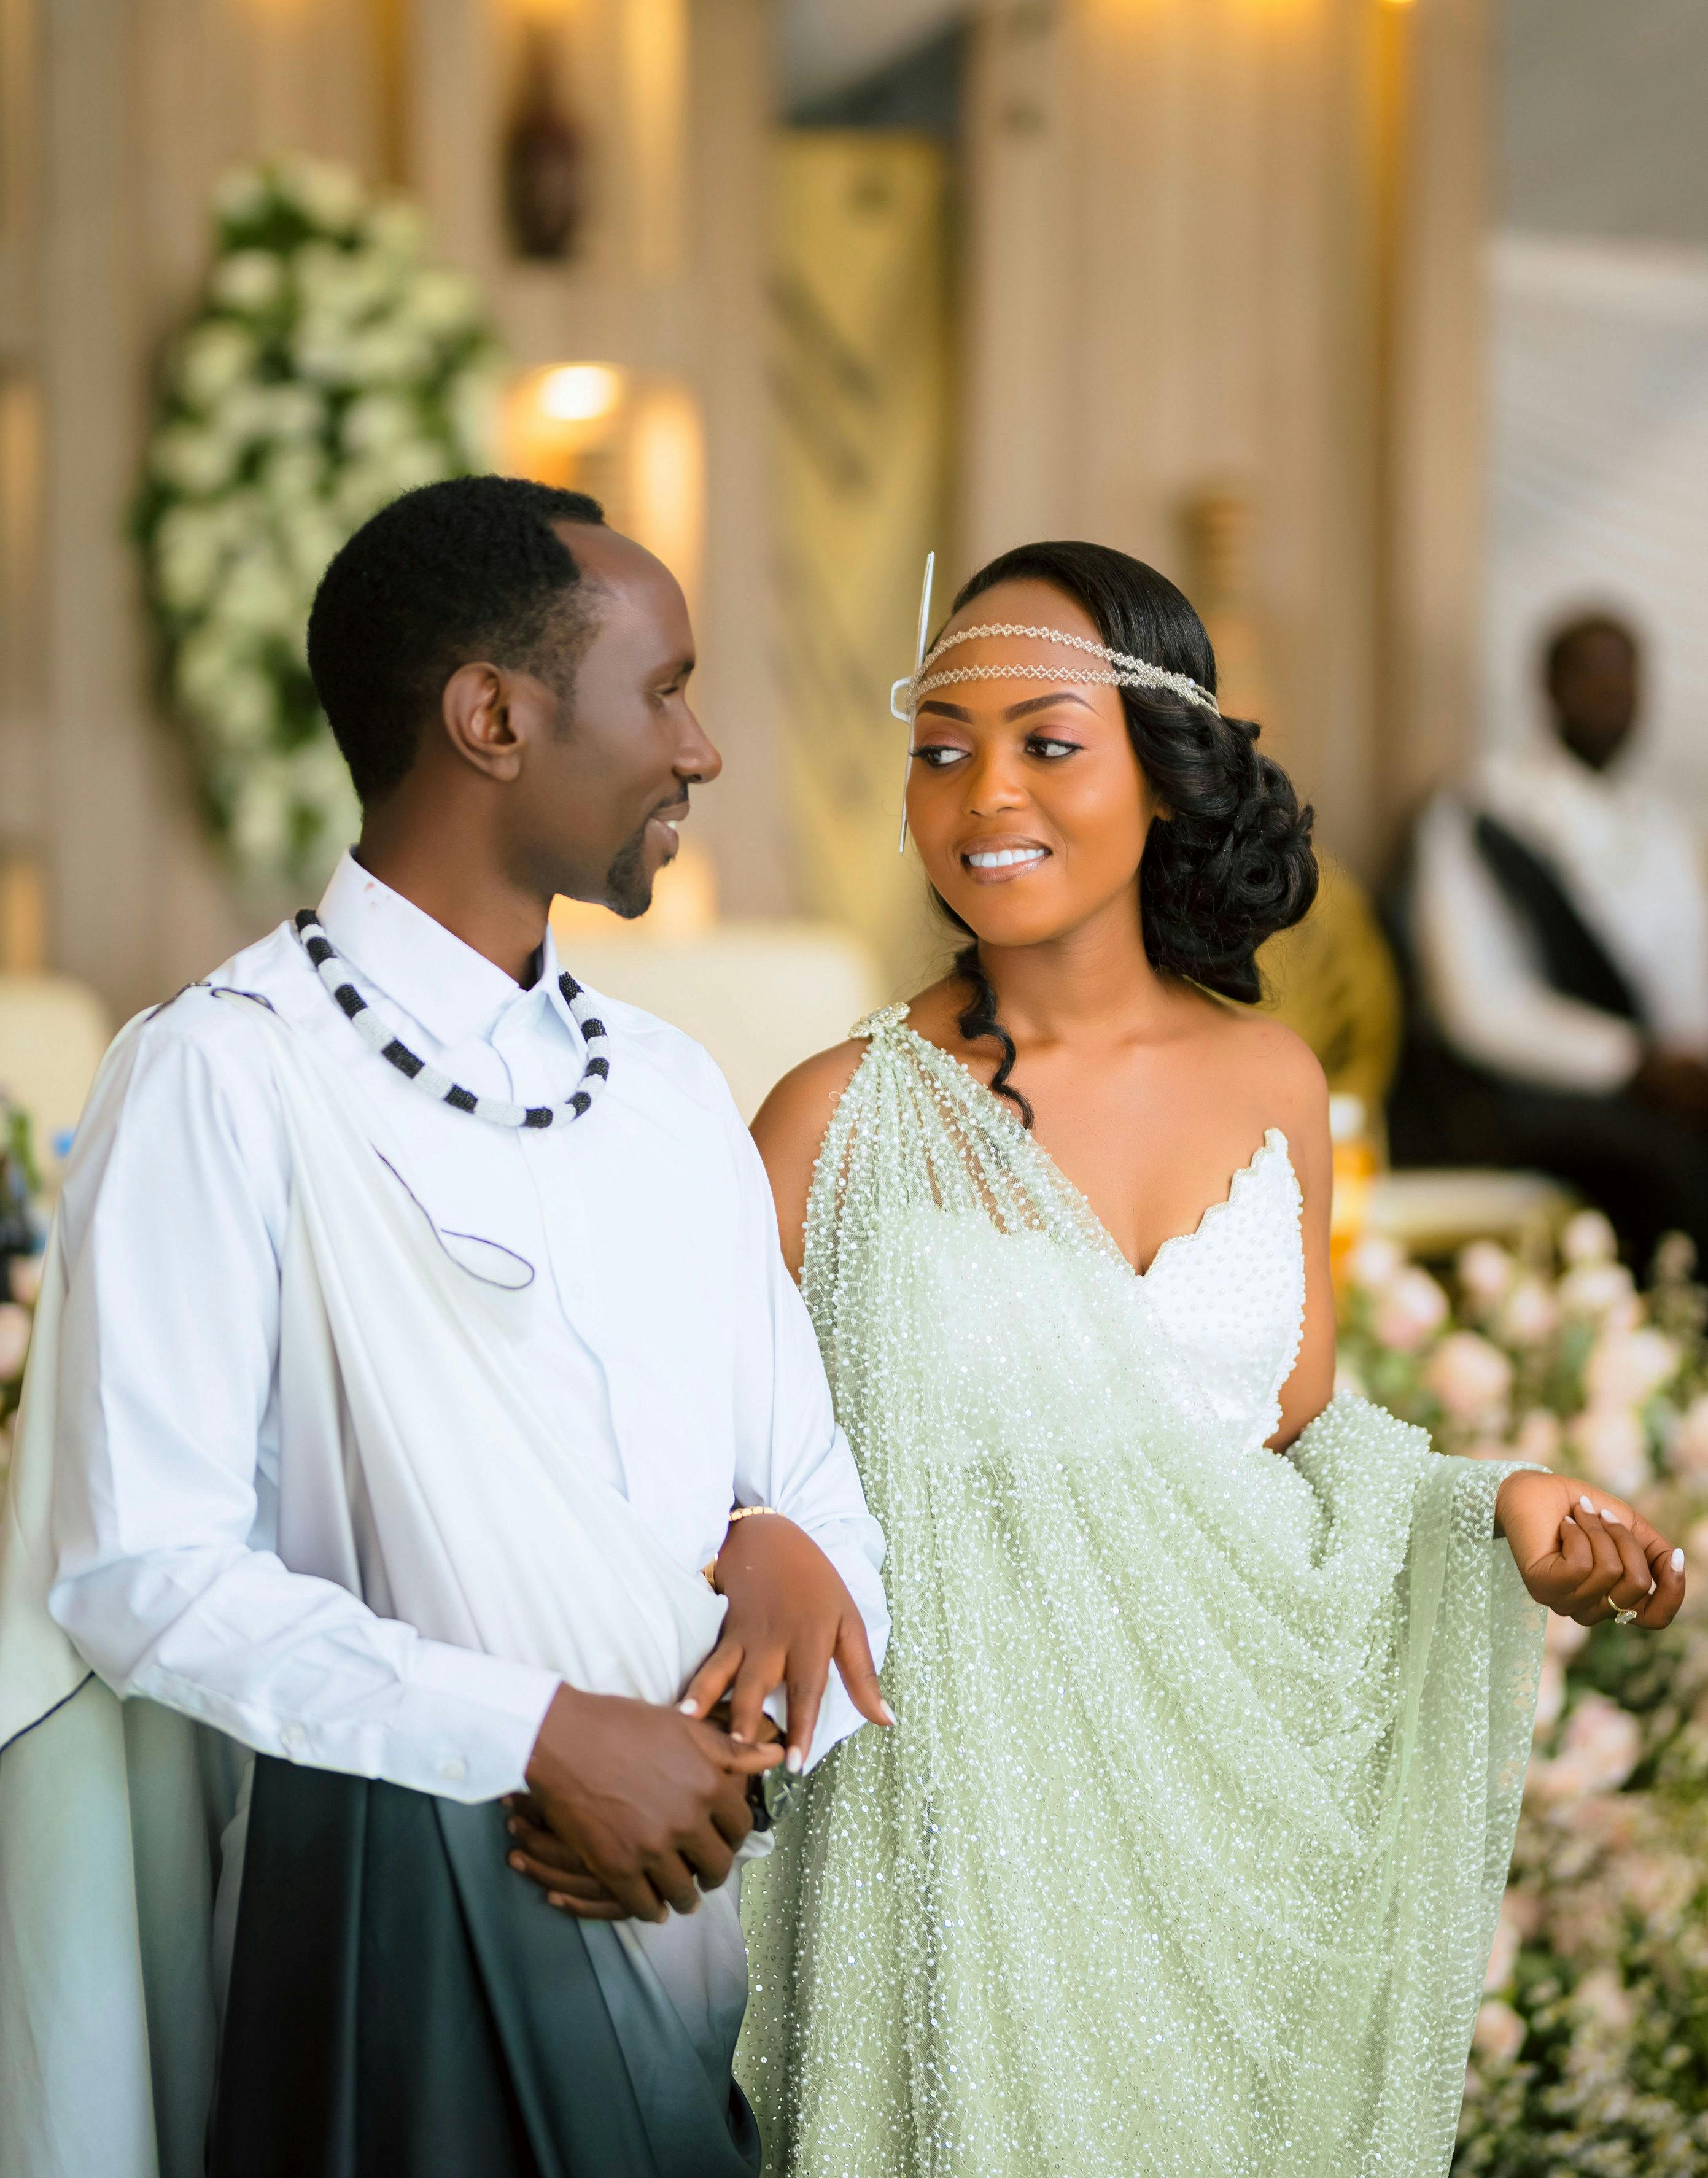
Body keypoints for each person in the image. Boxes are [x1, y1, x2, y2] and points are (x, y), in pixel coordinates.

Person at [729, 544, 1687, 2178]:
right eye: (939, 747)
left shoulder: (1268, 1080)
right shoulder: (829, 1121)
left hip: (1225, 1865)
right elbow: (714, 1482)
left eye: (1044, 742)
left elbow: (1290, 1455)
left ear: (1163, 775)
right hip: (956, 1879)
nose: (979, 796)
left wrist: (1491, 1510)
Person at [0, 476, 891, 2178]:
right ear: (491, 716)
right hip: (387, 1968)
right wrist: (542, 1737)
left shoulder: (668, 1094)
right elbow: (137, 1573)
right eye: (663, 688)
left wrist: (779, 1616)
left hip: (728, 1951)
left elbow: (811, 1492)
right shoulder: (222, 1077)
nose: (700, 748)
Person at [1396, 611, 1708, 1261]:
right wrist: (1634, 1063)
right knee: (1665, 1166)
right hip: (1522, 1098)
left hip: (1661, 1089)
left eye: (1625, 678)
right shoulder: (1480, 811)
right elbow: (1476, 1010)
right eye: (1591, 675)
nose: (1611, 695)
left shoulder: (1661, 823)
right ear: (1547, 687)